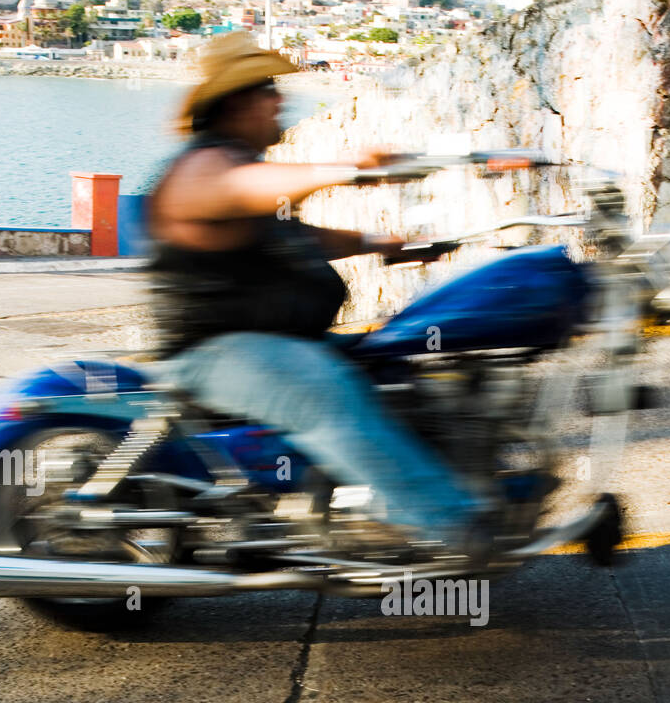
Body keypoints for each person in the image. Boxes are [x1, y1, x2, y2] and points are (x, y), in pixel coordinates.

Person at [146, 31, 487, 558]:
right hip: (214, 352)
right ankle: (453, 527)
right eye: (267, 89)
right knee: (324, 392)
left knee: (396, 362)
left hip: (276, 341)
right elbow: (250, 189)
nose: (278, 100)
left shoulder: (236, 164)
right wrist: (351, 171)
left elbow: (296, 236)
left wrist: (384, 244)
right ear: (237, 101)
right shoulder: (203, 168)